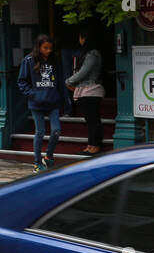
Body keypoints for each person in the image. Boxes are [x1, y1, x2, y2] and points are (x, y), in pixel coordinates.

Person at [19, 33, 70, 173]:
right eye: (45, 48)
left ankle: (48, 156)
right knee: (40, 132)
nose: (48, 50)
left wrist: (65, 100)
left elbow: (60, 81)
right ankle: (36, 163)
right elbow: (21, 81)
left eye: (50, 48)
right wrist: (32, 94)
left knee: (56, 130)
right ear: (39, 47)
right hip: (36, 103)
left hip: (53, 101)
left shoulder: (55, 60)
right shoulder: (29, 60)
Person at [66, 28, 105, 155]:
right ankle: (90, 144)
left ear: (84, 39)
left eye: (81, 37)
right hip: (86, 90)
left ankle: (96, 145)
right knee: (89, 120)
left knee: (93, 120)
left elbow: (84, 72)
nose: (79, 40)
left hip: (91, 90)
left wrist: (69, 81)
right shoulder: (89, 54)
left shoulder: (92, 54)